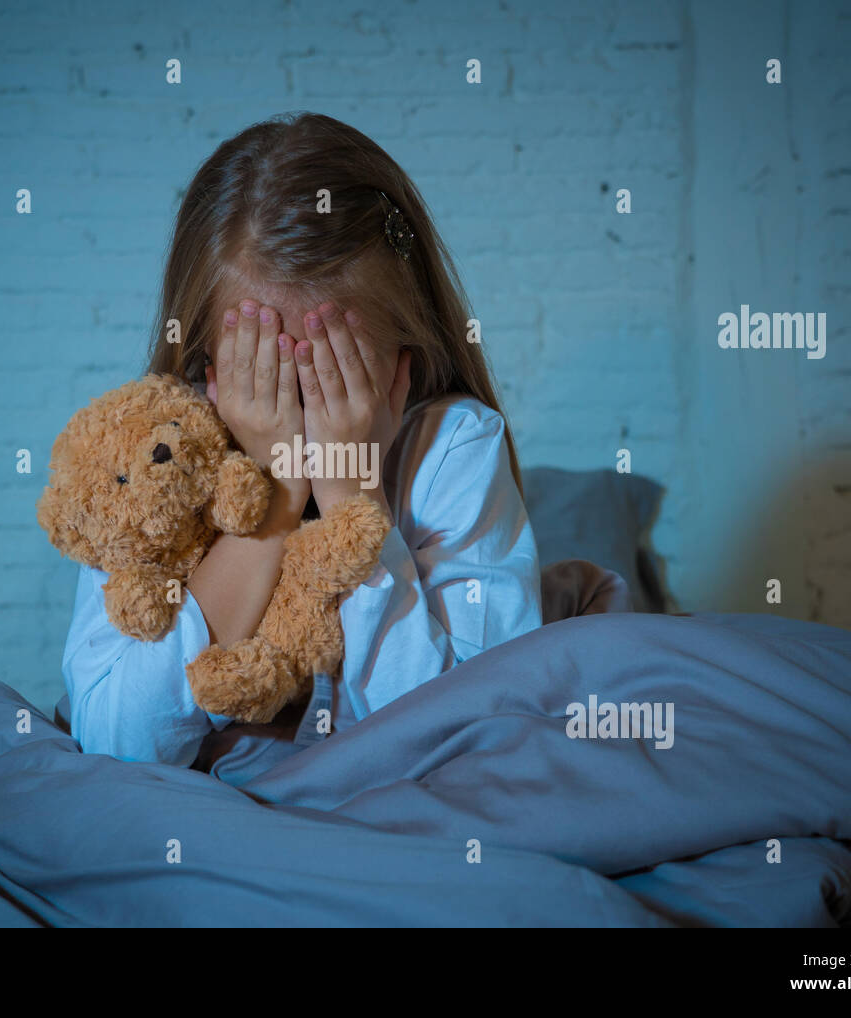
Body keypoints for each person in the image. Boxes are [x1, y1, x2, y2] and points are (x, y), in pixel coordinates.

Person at [61, 112, 543, 786]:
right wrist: (275, 499)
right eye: (266, 376)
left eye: (333, 375)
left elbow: (473, 742)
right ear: (205, 366)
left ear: (404, 353)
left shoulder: (453, 448)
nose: (300, 416)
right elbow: (117, 744)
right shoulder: (152, 465)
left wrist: (352, 492)